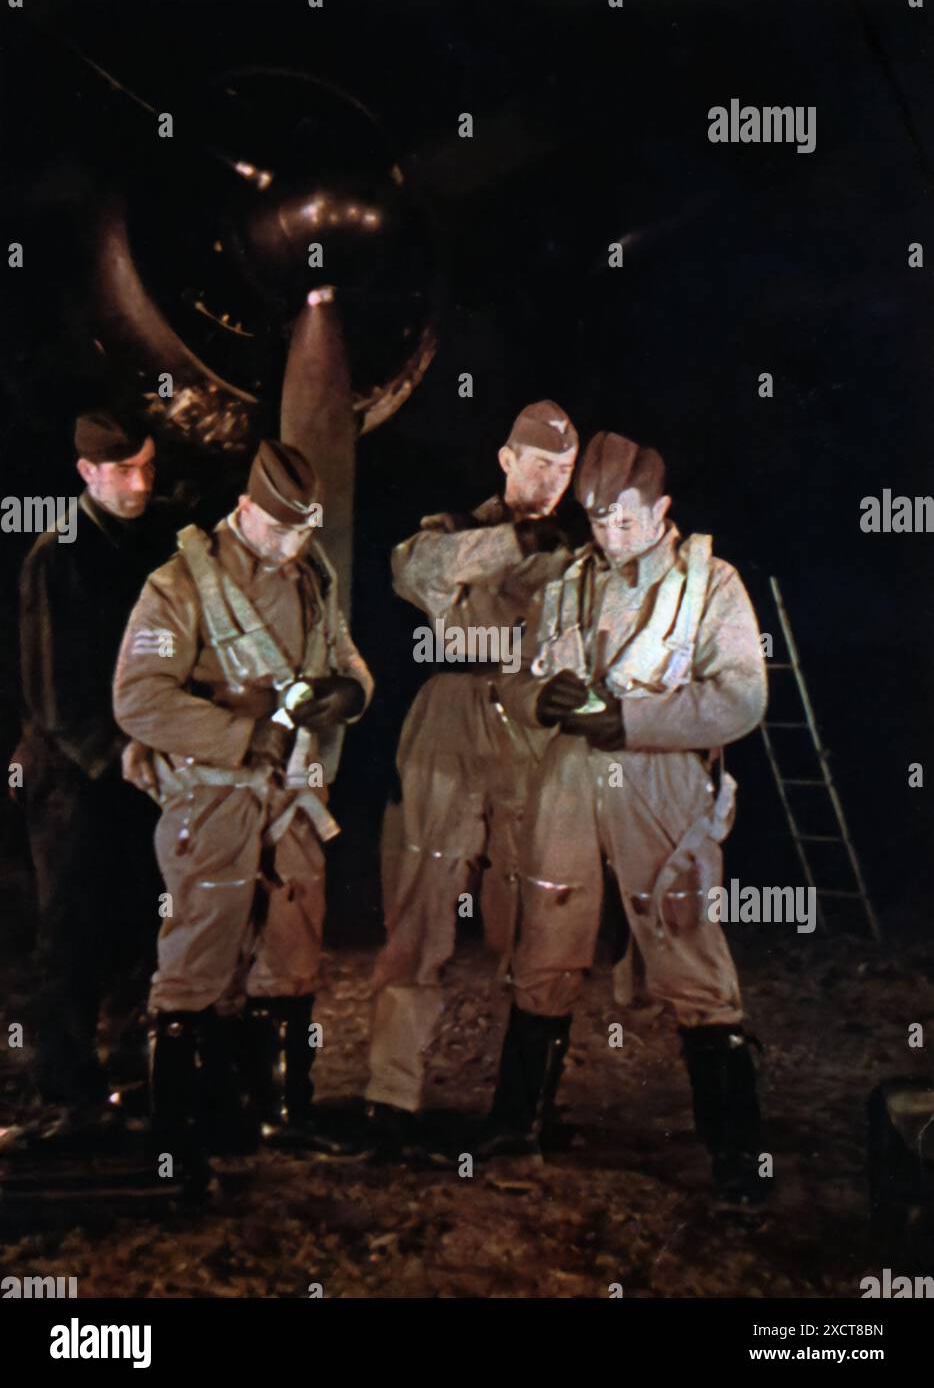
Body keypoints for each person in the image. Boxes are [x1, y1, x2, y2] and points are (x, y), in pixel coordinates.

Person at [480, 430, 770, 1205]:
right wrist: (534, 700)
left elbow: (741, 698)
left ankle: (737, 1153)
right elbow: (514, 675)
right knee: (546, 934)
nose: (612, 535)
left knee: (690, 950)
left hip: (662, 785)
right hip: (570, 782)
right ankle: (519, 1120)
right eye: (599, 520)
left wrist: (635, 720)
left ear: (663, 508)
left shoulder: (712, 584)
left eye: (628, 519)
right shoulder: (571, 580)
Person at [112, 438, 373, 1189]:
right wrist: (242, 735)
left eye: (304, 531)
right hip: (215, 792)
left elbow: (348, 659)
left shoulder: (312, 575)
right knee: (196, 958)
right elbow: (138, 698)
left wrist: (351, 695)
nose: (292, 545)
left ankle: (281, 1112)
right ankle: (178, 1138)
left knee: (292, 945)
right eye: (280, 529)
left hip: (293, 794)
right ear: (247, 509)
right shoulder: (180, 586)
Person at [364, 400, 580, 1155]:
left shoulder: (577, 554)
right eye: (539, 463)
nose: (551, 481)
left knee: (542, 914)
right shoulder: (454, 532)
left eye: (564, 469)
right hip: (450, 711)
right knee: (420, 906)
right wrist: (512, 541)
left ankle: (522, 1110)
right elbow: (411, 572)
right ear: (506, 458)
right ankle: (390, 1100)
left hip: (534, 726)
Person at [10, 410, 174, 1149]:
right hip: (73, 772)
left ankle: (135, 1075)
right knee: (72, 928)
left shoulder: (160, 543)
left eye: (146, 466)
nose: (138, 483)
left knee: (147, 920)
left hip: (145, 765)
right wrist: (115, 755)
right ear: (86, 473)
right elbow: (51, 689)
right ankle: (67, 1090)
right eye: (122, 470)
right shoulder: (58, 555)